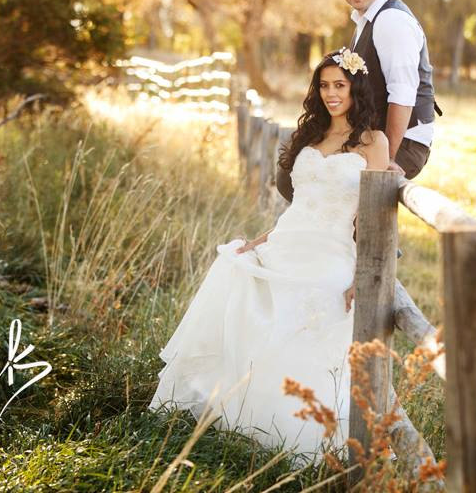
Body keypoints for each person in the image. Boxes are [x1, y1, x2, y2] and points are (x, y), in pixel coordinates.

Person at [149, 50, 388, 458]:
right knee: (235, 264)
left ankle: (303, 429)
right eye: (324, 86)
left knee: (320, 294)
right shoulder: (310, 136)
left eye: (339, 86)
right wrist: (259, 241)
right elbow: (297, 207)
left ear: (355, 88)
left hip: (332, 250)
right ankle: (239, 406)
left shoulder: (372, 142)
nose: (331, 94)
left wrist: (360, 276)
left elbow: (374, 217)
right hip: (288, 239)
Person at [276, 0, 440, 203]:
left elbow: (403, 95)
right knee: (292, 175)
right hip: (372, 135)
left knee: (345, 206)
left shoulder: (391, 21)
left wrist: (389, 160)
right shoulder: (366, 21)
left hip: (404, 142)